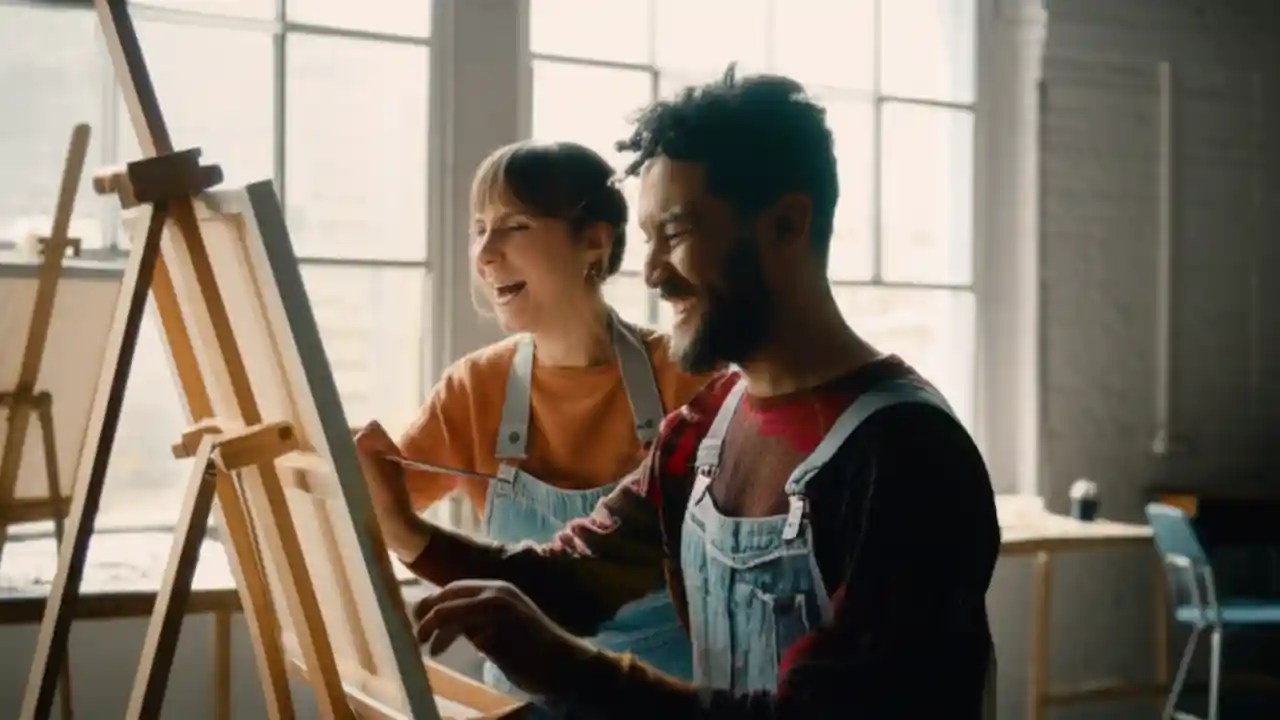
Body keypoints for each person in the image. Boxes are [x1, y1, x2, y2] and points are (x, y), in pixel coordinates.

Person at [357, 67, 1000, 718]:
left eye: (680, 234)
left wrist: (574, 671)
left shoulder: (907, 454)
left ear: (787, 225)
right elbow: (574, 578)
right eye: (649, 241)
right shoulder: (703, 425)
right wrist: (406, 533)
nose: (655, 273)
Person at [382, 140, 711, 698]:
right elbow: (366, 518)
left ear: (594, 242)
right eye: (478, 228)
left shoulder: (691, 383)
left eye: (513, 226)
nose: (485, 253)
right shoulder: (473, 389)